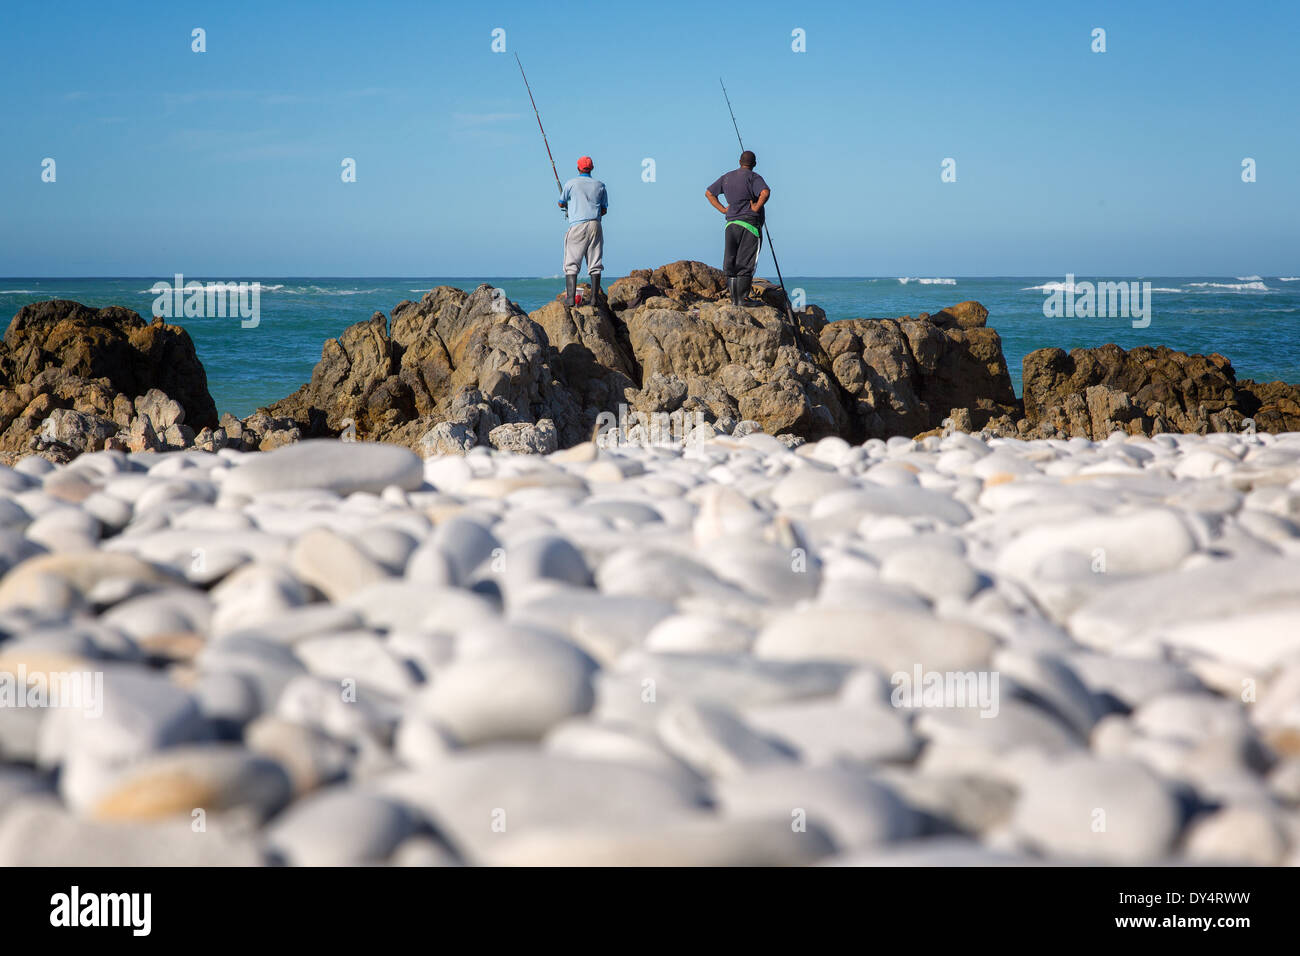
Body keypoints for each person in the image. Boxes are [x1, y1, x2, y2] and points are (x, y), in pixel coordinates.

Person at [705, 150, 770, 306]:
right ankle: (743, 300)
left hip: (731, 225)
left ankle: (735, 300)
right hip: (749, 225)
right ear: (754, 164)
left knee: (731, 262)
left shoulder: (727, 177)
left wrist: (723, 209)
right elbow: (765, 192)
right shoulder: (754, 177)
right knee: (746, 262)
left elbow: (709, 193)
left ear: (739, 162)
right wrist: (756, 208)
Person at [558, 156, 608, 306]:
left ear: (578, 168)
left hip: (578, 225)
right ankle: (594, 299)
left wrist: (569, 206)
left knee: (572, 261)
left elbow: (561, 203)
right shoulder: (600, 185)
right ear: (592, 168)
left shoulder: (571, 183)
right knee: (595, 262)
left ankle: (570, 298)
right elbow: (604, 210)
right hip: (595, 225)